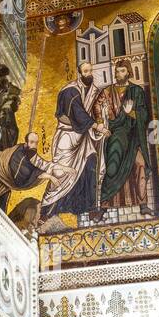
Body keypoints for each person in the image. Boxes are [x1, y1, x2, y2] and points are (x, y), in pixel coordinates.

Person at [39, 62, 109, 222]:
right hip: (67, 137)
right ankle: (46, 212)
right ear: (79, 73)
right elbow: (79, 114)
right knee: (61, 174)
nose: (89, 74)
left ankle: (91, 209)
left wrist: (103, 115)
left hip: (83, 137)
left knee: (91, 163)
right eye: (86, 71)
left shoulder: (93, 91)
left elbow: (95, 110)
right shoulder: (70, 91)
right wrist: (97, 126)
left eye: (91, 71)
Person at [99, 58, 153, 209]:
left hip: (134, 138)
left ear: (128, 72)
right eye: (116, 71)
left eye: (122, 71)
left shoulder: (137, 91)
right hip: (115, 135)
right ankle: (105, 204)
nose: (118, 74)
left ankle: (142, 204)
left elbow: (144, 114)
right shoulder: (107, 91)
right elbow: (98, 110)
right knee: (112, 165)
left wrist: (132, 112)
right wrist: (102, 124)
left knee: (141, 164)